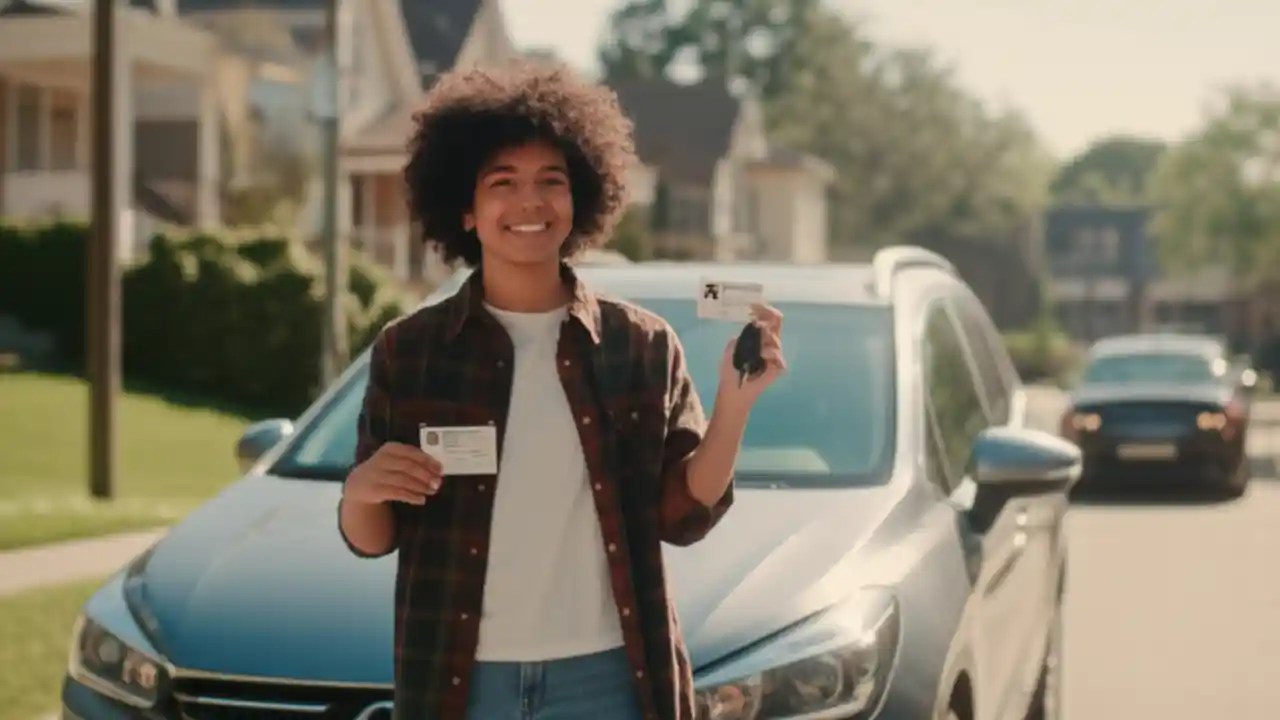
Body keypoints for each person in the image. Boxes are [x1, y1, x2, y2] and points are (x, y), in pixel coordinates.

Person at [337, 60, 786, 720]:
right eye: (503, 183)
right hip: (462, 680)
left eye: (552, 181)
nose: (529, 202)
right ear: (465, 209)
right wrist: (362, 490)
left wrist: (735, 407)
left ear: (579, 200)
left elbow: (682, 516)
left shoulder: (641, 345)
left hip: (609, 678)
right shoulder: (411, 351)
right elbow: (373, 538)